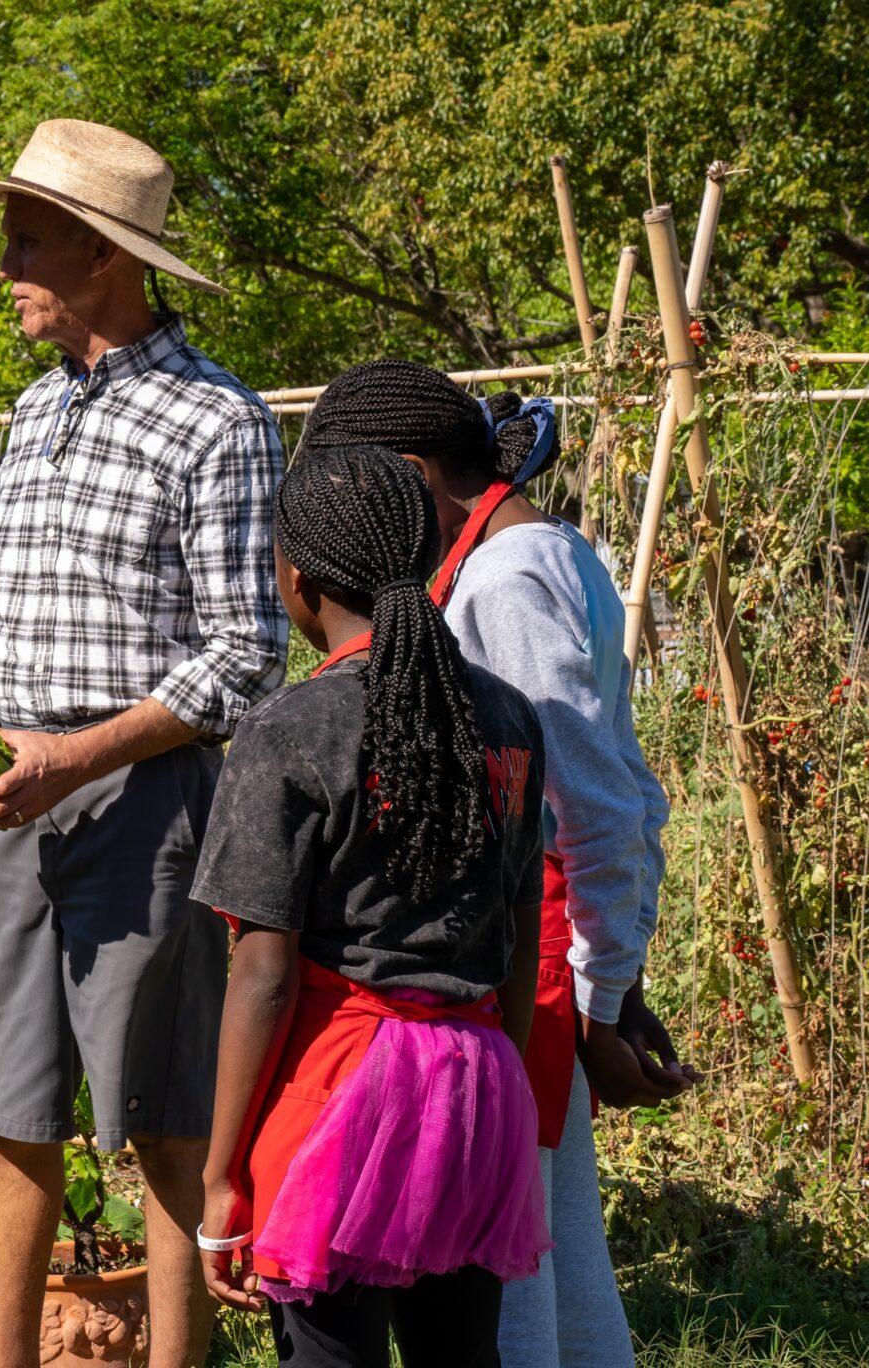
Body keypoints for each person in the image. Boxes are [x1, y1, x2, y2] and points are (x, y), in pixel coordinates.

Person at [0, 118, 289, 1366]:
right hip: (19, 798)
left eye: (25, 242)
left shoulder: (215, 422)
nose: (5, 267)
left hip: (147, 800)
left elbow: (243, 656)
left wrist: (75, 758)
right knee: (6, 1106)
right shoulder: (38, 410)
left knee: (165, 1110)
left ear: (102, 257)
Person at [297, 361, 699, 1367]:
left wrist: (601, 1000)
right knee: (556, 1259)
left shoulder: (505, 579)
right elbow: (622, 788)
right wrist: (616, 979)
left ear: (407, 475)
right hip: (546, 954)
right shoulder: (542, 551)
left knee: (504, 1279)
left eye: (364, 495)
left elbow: (594, 806)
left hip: (527, 962)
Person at [194, 442, 552, 1366]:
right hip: (479, 1085)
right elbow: (519, 934)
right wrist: (495, 1092)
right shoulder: (508, 719)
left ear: (298, 581)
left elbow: (264, 975)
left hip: (338, 1095)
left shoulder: (289, 729)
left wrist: (221, 1175)